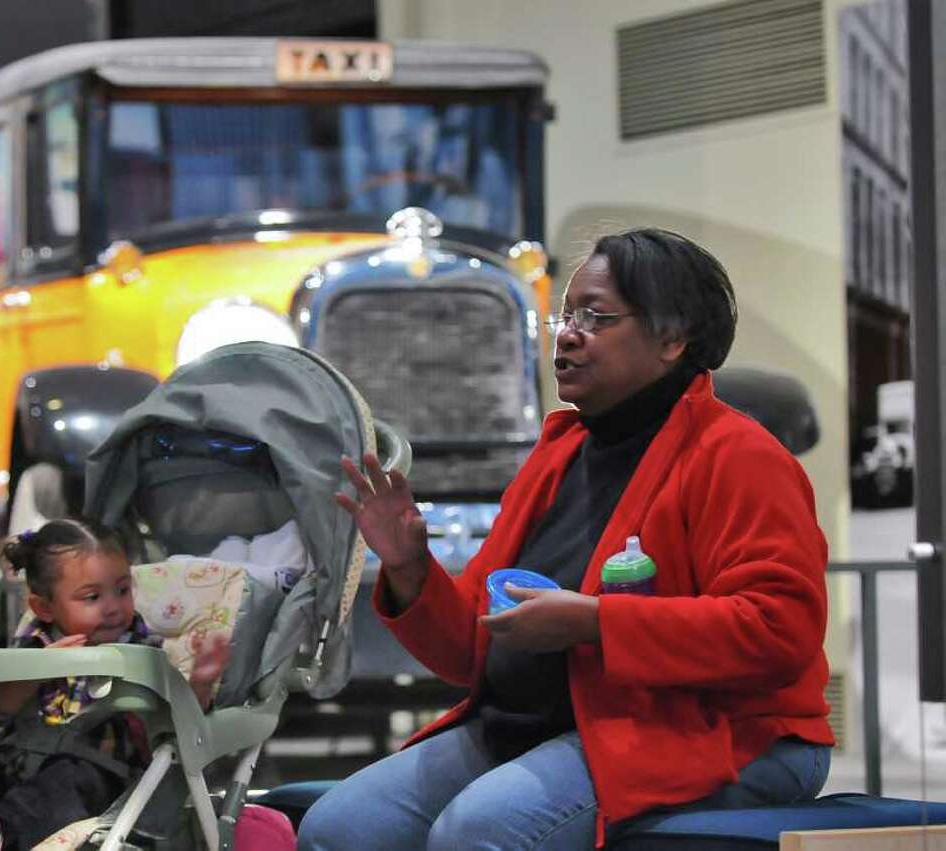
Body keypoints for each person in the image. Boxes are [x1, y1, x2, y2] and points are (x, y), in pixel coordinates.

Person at [299, 228, 835, 850]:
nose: (568, 334)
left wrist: (596, 623)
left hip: (721, 731)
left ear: (673, 338)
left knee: (477, 831)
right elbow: (469, 651)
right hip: (554, 724)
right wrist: (410, 565)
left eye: (597, 317)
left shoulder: (739, 455)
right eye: (565, 315)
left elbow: (779, 630)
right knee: (337, 829)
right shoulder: (557, 455)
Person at [0, 518, 232, 851]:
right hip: (15, 765)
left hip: (100, 775)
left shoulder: (143, 649)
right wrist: (38, 667)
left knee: (55, 792)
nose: (113, 607)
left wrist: (200, 680)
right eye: (92, 597)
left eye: (122, 590)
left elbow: (175, 726)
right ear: (44, 608)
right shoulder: (33, 645)